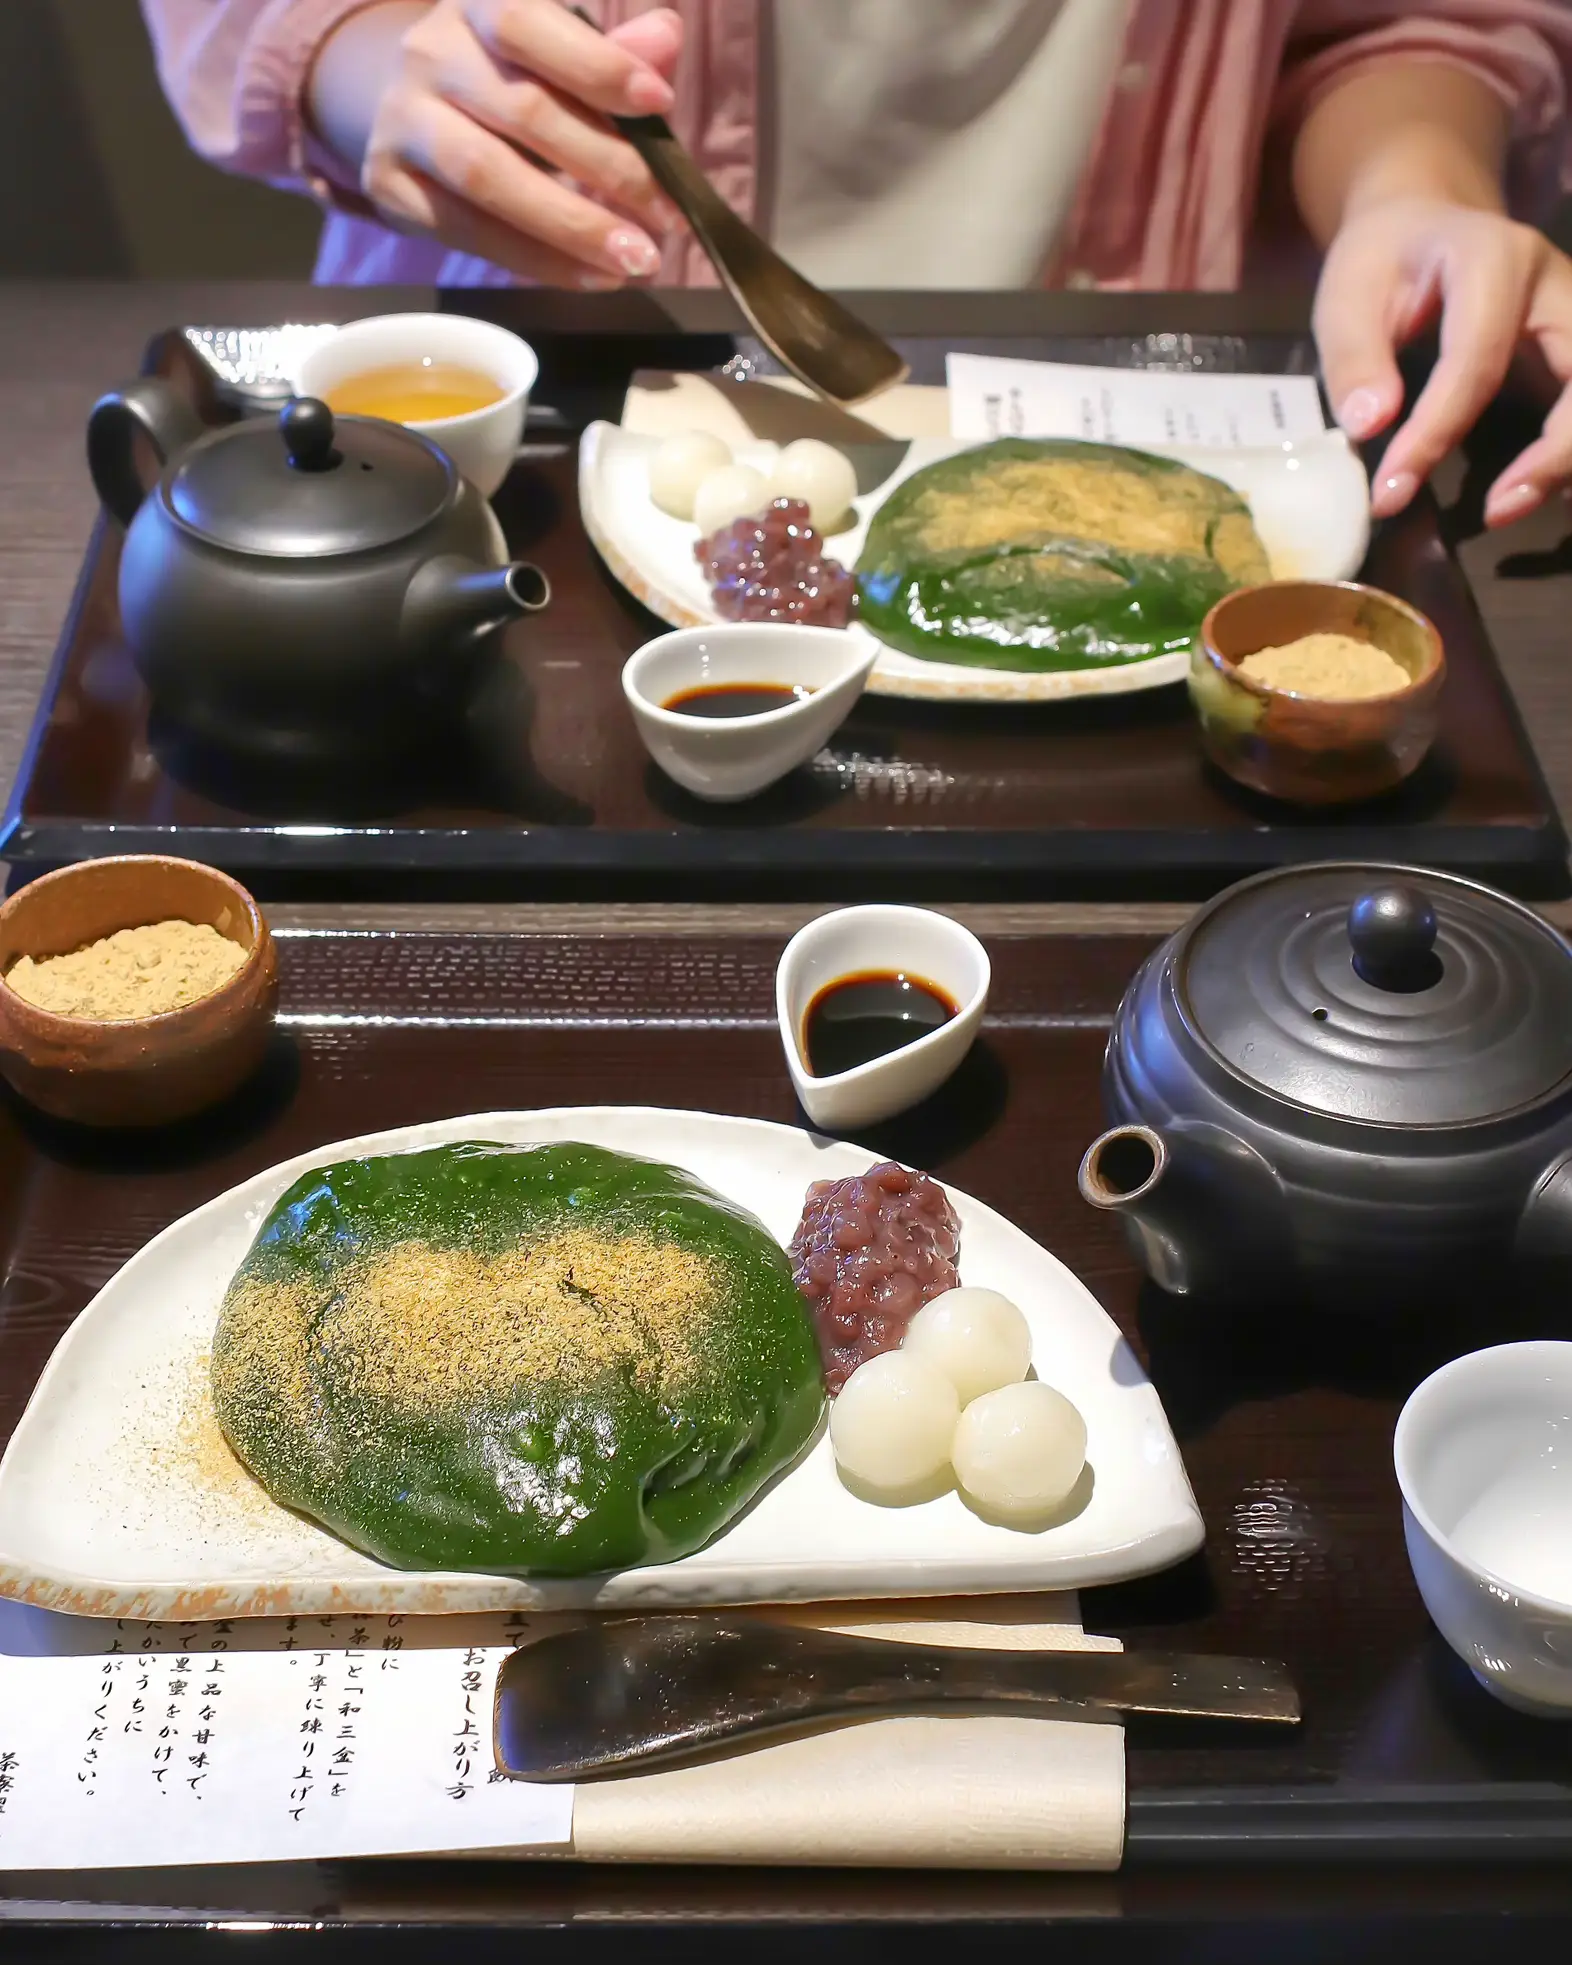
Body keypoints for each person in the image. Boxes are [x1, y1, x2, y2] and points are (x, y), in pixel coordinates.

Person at [141, 1, 1572, 526]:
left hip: (1148, 382)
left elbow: (1402, 29)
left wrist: (1416, 188)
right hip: (537, 380)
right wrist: (382, 71)